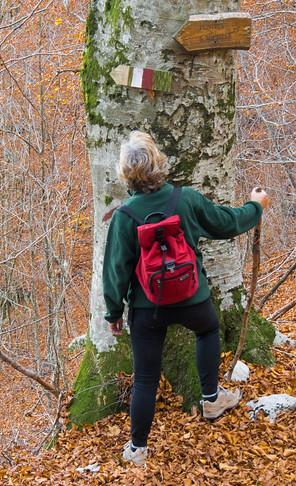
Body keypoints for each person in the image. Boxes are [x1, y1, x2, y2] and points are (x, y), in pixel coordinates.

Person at [103, 131, 270, 466]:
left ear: (127, 175)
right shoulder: (187, 199)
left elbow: (116, 270)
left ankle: (137, 450)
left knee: (146, 378)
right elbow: (227, 223)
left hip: (146, 309)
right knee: (208, 331)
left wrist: (113, 313)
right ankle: (211, 399)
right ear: (158, 164)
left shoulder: (124, 217)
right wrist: (256, 206)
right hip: (193, 297)